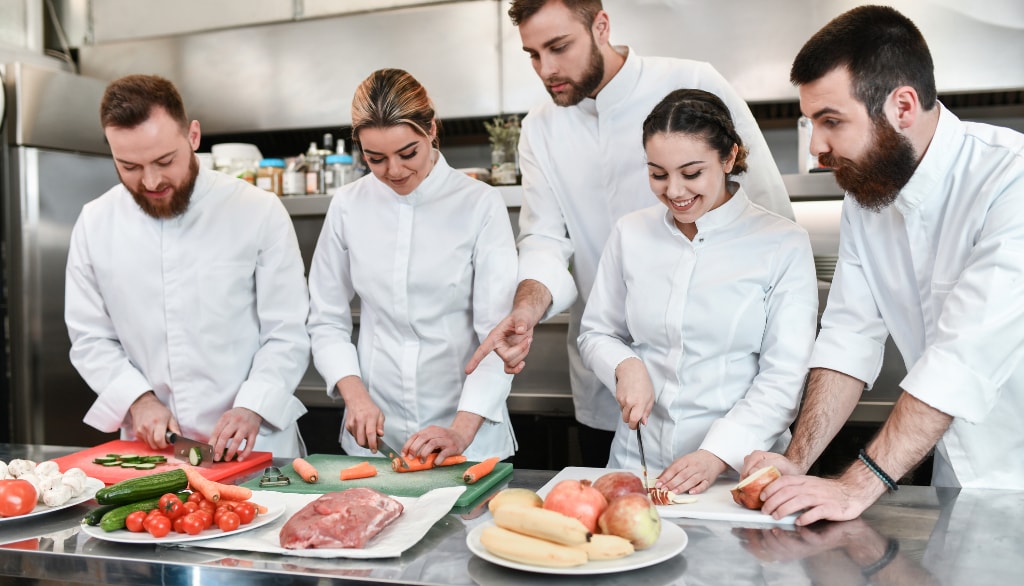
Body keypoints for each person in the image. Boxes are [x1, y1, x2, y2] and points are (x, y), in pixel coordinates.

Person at [467, 0, 794, 467]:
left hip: (726, 389)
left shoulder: (692, 81)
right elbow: (544, 240)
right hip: (606, 379)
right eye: (533, 54)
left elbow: (766, 214)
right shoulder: (540, 127)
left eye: (559, 47)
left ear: (601, 26)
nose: (546, 69)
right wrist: (525, 310)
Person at [742, 5, 1024, 525]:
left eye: (831, 121)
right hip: (958, 480)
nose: (817, 147)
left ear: (902, 106)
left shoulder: (1011, 180)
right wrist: (797, 460)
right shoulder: (867, 197)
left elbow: (962, 358)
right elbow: (848, 338)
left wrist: (855, 486)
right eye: (810, 122)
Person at [577, 89, 817, 494]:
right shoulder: (630, 234)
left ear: (729, 158)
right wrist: (625, 365)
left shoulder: (782, 243)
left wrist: (716, 454)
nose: (674, 191)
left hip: (738, 474)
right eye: (658, 174)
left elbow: (783, 377)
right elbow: (596, 332)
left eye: (691, 174)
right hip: (638, 465)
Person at [65, 74, 311, 461]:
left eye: (165, 161)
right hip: (154, 448)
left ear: (193, 136)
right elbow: (90, 338)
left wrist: (253, 405)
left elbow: (287, 332)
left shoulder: (257, 211)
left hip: (256, 445)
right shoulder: (95, 223)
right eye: (129, 166)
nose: (151, 181)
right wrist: (138, 399)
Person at [306, 68, 518, 463]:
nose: (395, 171)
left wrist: (461, 430)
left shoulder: (479, 204)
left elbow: (498, 335)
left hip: (467, 438)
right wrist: (355, 397)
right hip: (375, 438)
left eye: (408, 154)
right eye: (375, 159)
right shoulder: (348, 206)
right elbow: (326, 319)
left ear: (431, 130)